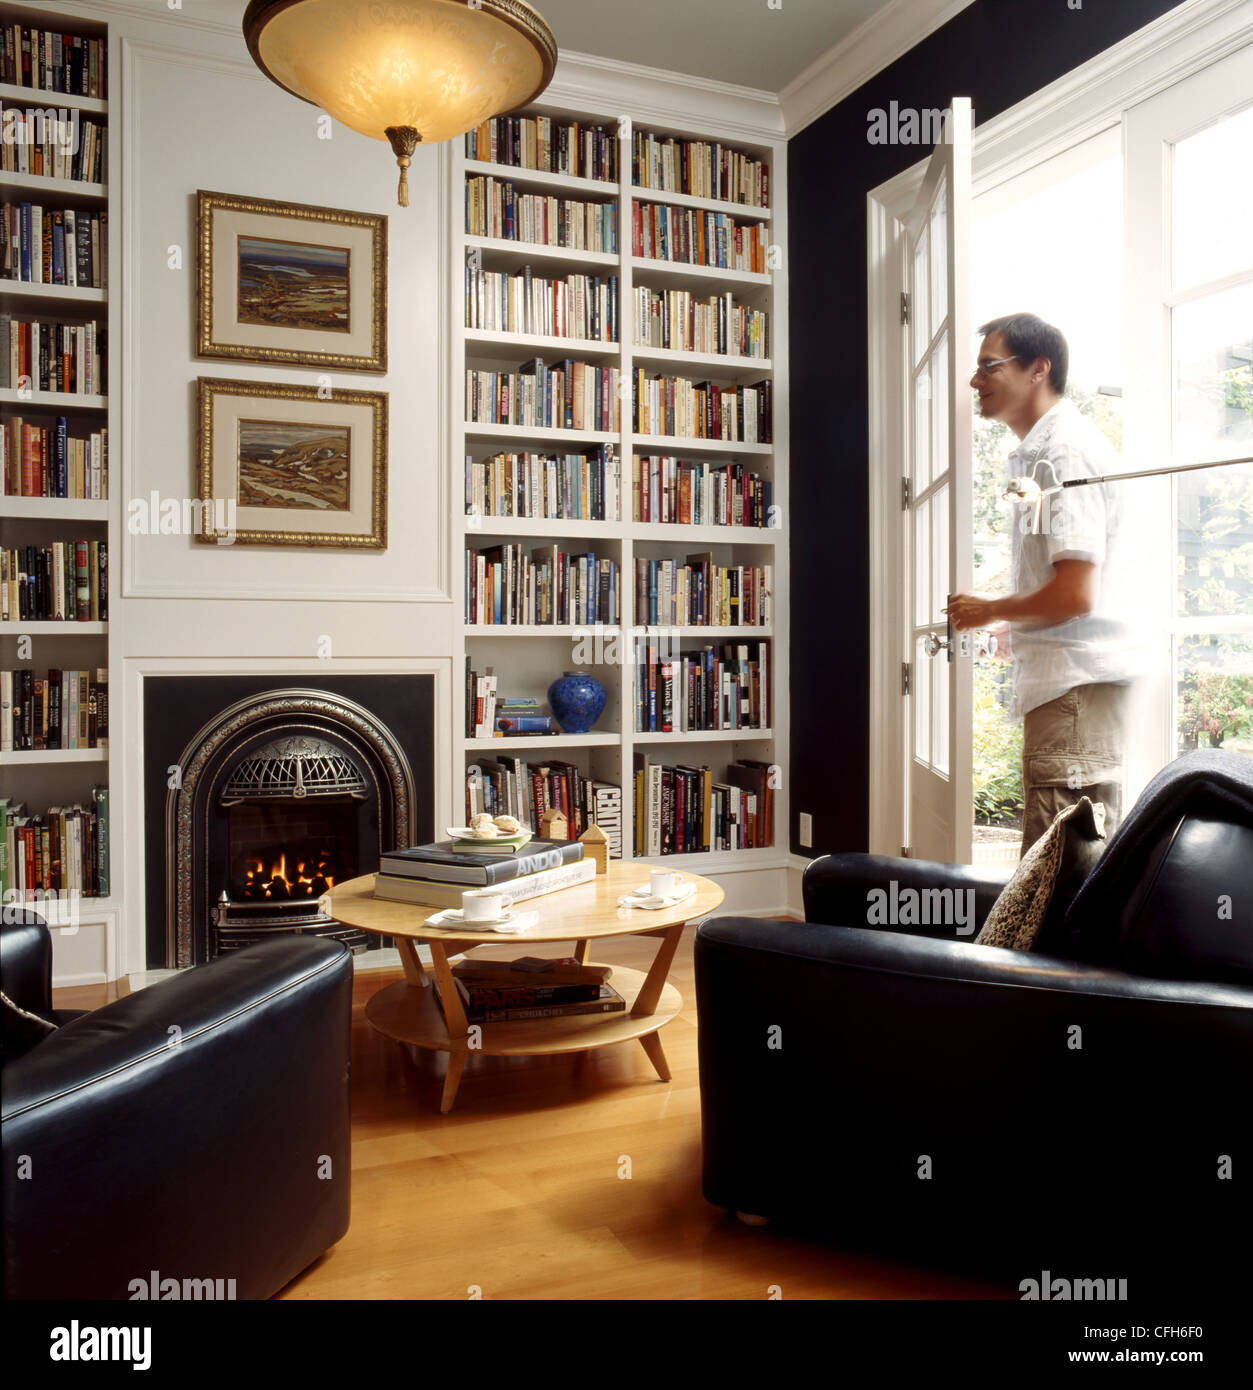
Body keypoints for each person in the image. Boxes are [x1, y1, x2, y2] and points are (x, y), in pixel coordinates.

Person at [946, 313, 1141, 854]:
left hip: (1073, 689)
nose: (974, 380)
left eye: (989, 365)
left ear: (1038, 369)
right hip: (1070, 688)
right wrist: (1015, 621)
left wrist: (989, 610)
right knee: (1064, 869)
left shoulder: (1063, 454)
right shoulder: (1040, 453)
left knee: (1053, 875)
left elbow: (1075, 594)